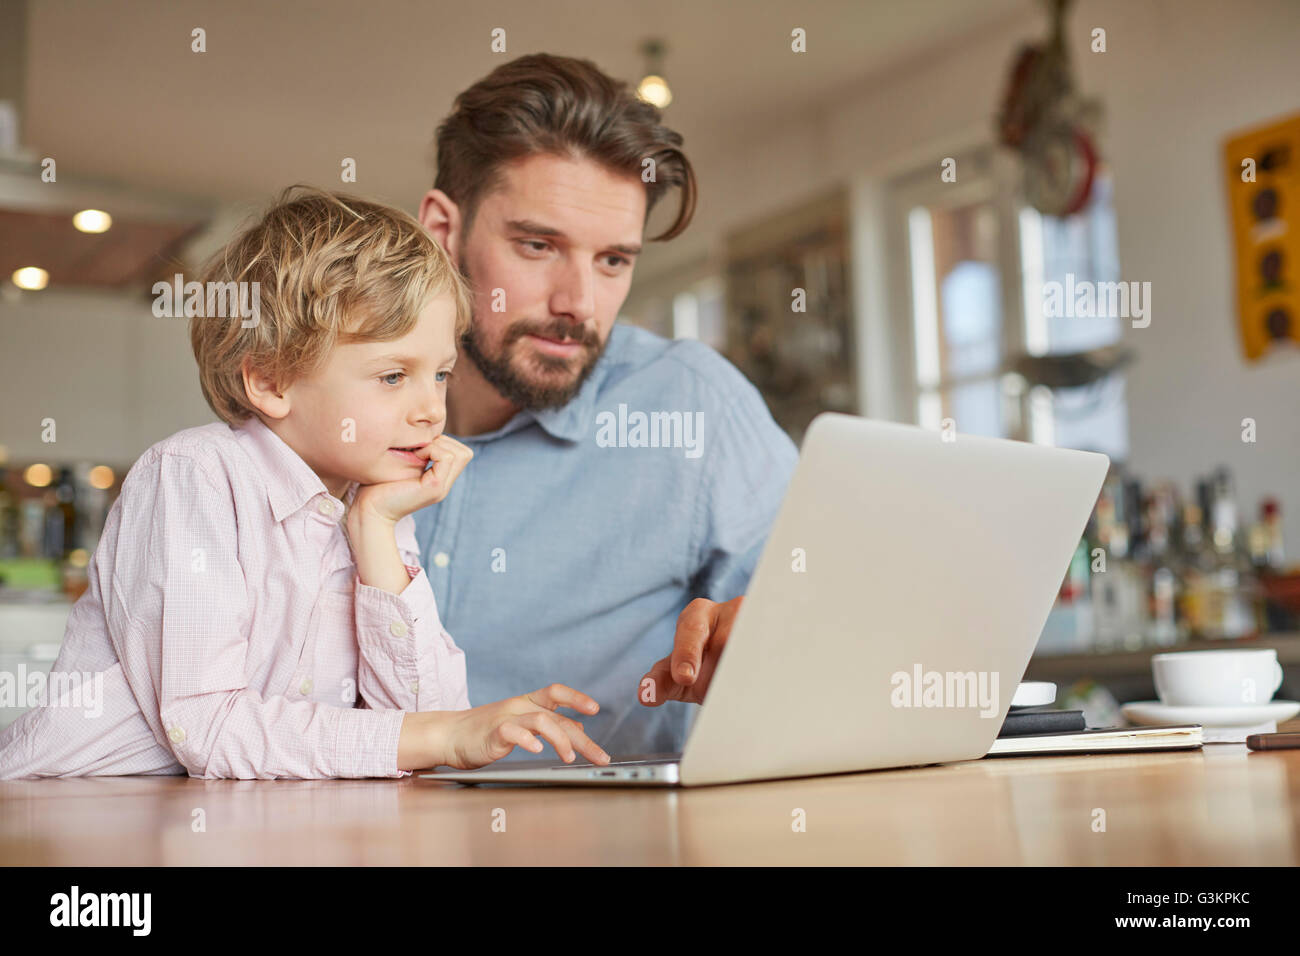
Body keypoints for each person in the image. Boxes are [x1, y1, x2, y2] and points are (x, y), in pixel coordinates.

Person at [0, 187, 611, 779]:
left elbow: (426, 722)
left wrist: (375, 532)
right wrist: (442, 735)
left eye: (441, 374)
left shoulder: (373, 504)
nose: (431, 410)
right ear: (269, 382)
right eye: (394, 376)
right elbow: (206, 727)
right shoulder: (194, 477)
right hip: (72, 816)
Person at [413, 52, 799, 759]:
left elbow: (821, 631)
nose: (579, 305)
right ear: (445, 230)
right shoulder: (327, 403)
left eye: (613, 260)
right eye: (538, 245)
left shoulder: (695, 410)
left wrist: (782, 641)